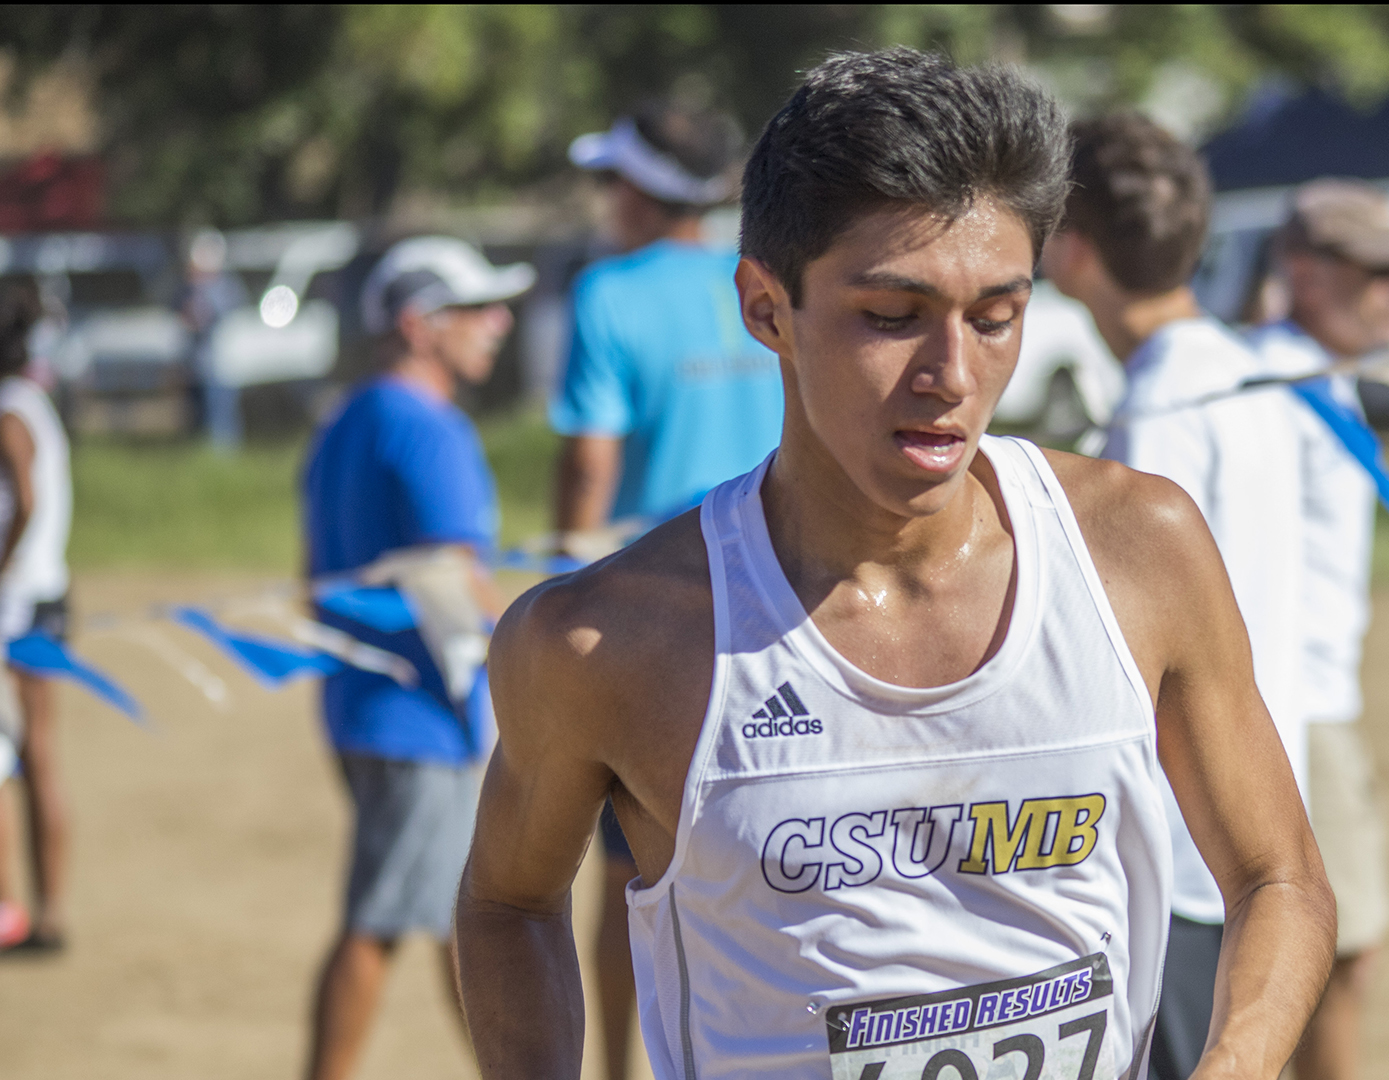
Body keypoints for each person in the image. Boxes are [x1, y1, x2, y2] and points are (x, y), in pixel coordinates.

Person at [456, 48, 1335, 1080]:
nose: (952, 375)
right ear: (765, 308)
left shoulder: (1142, 549)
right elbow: (507, 902)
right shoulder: (607, 640)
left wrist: (1238, 1060)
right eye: (892, 316)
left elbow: (1282, 877)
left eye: (996, 317)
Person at [1040, 113, 1309, 1080]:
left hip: (1192, 843)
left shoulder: (1162, 410)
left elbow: (1123, 637)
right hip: (1263, 803)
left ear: (1071, 251)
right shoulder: (1252, 369)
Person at [555, 99, 784, 1080]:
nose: (604, 199)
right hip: (786, 597)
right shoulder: (768, 282)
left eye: (611, 179)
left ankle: (620, 1071)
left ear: (646, 193)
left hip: (651, 614)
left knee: (625, 871)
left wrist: (565, 597)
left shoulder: (606, 293)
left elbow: (585, 477)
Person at [299, 236, 532, 1080]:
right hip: (423, 717)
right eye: (474, 310)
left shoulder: (347, 420)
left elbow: (312, 580)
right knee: (383, 922)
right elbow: (458, 585)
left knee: (456, 919)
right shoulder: (429, 427)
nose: (498, 324)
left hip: (361, 708)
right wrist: (545, 657)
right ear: (416, 324)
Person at [1246, 179, 1389, 1080]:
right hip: (1299, 711)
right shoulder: (1271, 386)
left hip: (1321, 703)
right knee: (1337, 949)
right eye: (1378, 270)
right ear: (1306, 274)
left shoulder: (1319, 382)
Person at [0, 280, 73, 957]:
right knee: (34, 756)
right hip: (46, 595)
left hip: (18, 603)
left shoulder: (9, 411)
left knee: (17, 759)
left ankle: (18, 910)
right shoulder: (35, 403)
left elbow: (21, 499)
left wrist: (1, 564)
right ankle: (42, 913)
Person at [180, 229, 247, 450]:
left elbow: (205, 316)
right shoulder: (197, 288)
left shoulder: (223, 287)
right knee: (203, 414)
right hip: (202, 364)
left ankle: (224, 455)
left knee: (221, 415)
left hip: (221, 364)